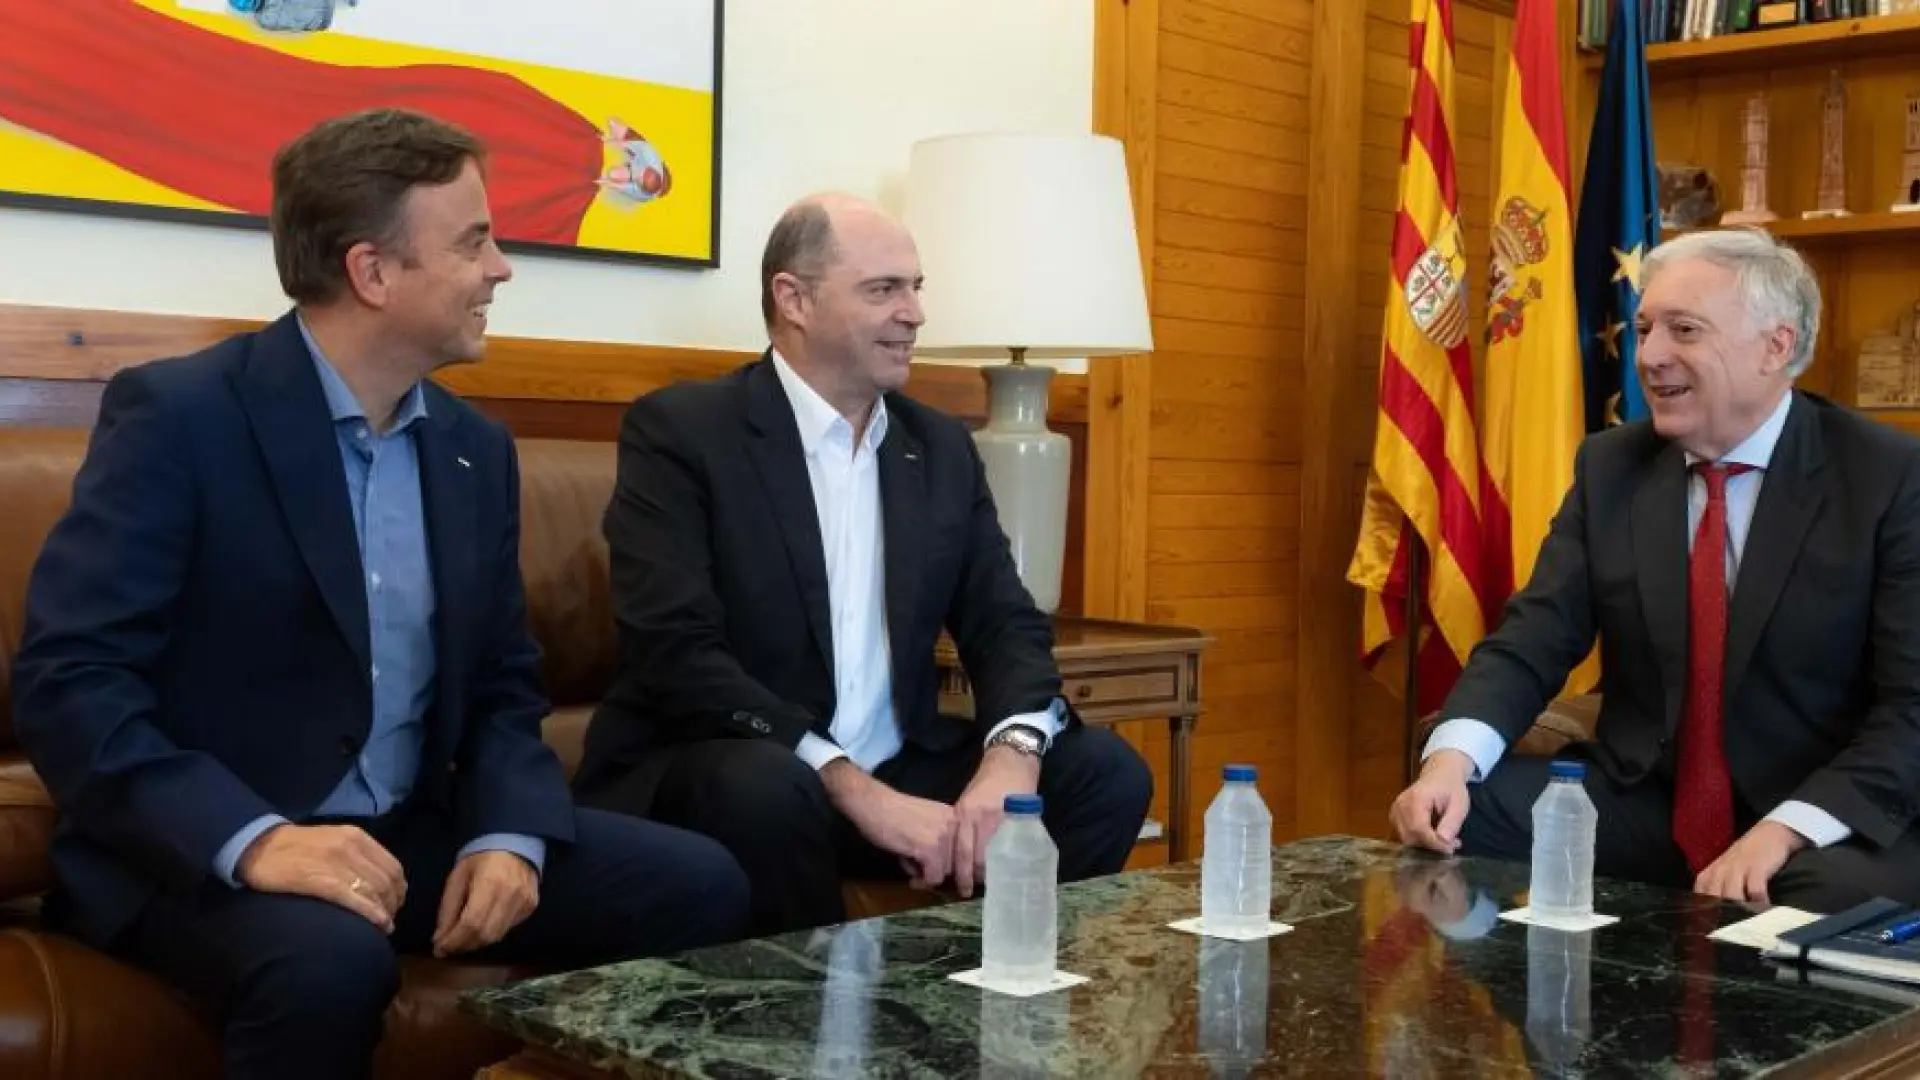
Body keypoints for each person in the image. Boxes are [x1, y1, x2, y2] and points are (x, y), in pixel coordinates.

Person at [10, 108, 750, 1080]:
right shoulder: (180, 417)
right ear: (372, 272)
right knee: (328, 966)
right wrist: (259, 841)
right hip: (207, 848)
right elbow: (74, 681)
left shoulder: (471, 449)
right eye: (474, 240)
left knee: (701, 885)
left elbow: (501, 683)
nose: (501, 269)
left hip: (407, 835)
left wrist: (508, 831)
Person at [573, 192, 1154, 934]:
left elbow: (1005, 622)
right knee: (764, 786)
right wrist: (850, 787)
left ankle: (977, 1003)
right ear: (794, 300)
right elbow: (677, 655)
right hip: (732, 761)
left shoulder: (939, 447)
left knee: (1103, 773)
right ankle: (809, 1037)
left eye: (916, 288)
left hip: (895, 762)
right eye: (884, 289)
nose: (914, 313)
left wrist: (1012, 755)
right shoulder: (684, 434)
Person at [1390, 227, 1920, 913]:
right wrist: (1449, 762)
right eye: (1643, 330)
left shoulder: (1887, 477)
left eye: (1684, 330)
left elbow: (1911, 710)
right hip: (1649, 798)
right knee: (1460, 817)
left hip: (1817, 809)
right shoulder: (1612, 467)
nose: (1651, 356)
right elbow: (1533, 638)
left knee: (1819, 894)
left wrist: (1785, 830)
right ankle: (1538, 1018)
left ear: (1776, 346)